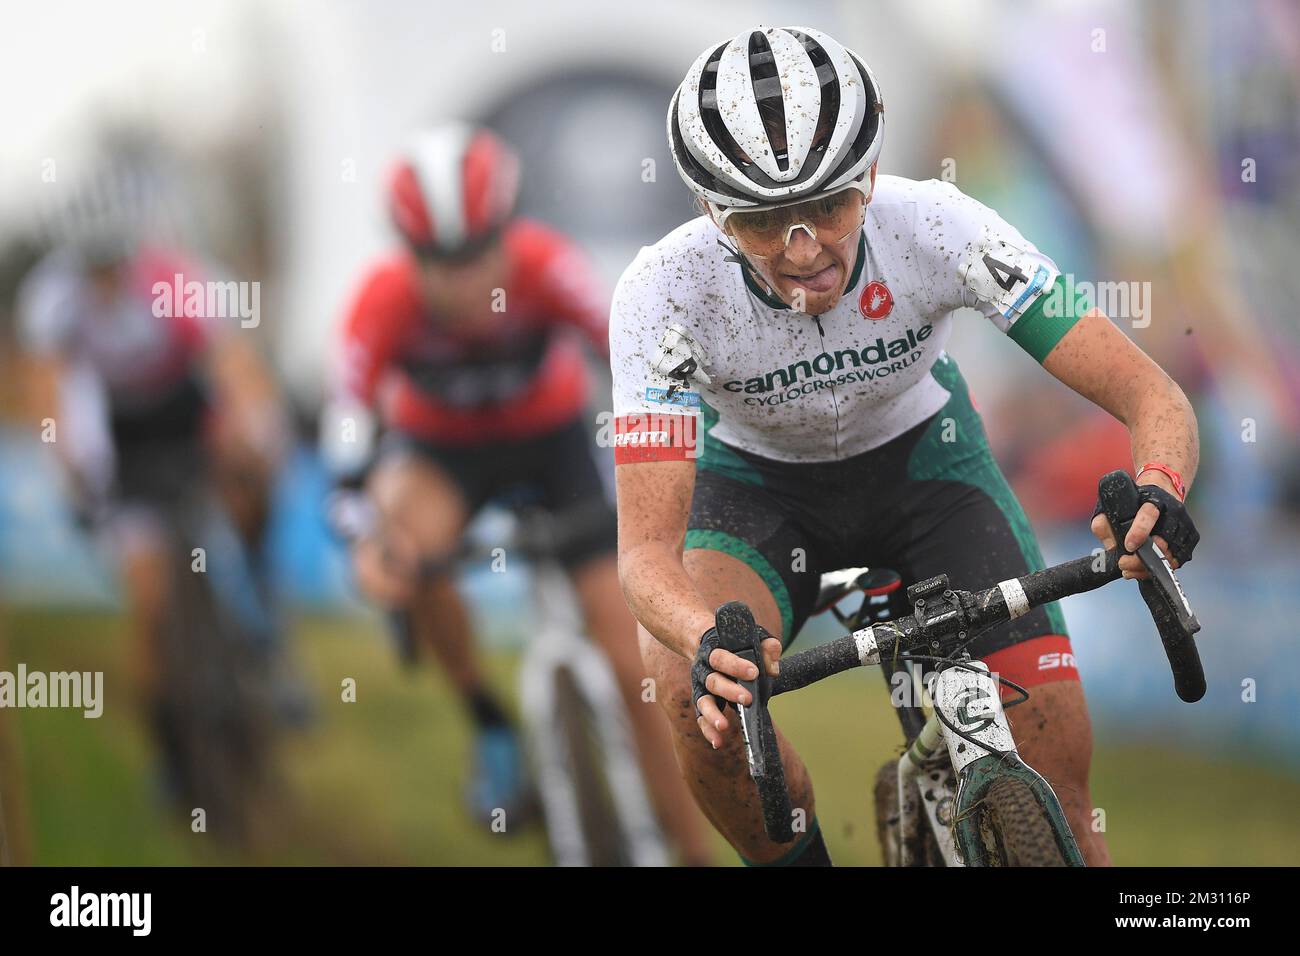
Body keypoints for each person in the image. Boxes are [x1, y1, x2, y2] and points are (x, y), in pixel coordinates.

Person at [610, 25, 1202, 866]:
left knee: (1062, 802)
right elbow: (645, 558)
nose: (803, 248)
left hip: (929, 472)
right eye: (764, 221)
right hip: (754, 496)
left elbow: (1153, 396)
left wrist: (1160, 484)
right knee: (688, 695)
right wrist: (705, 638)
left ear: (872, 178)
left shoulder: (936, 224)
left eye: (829, 205)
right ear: (712, 212)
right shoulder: (661, 294)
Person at [323, 123, 711, 864]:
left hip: (553, 440)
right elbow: (346, 419)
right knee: (404, 546)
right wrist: (360, 530)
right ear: (409, 256)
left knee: (634, 666)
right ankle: (488, 721)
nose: (463, 279)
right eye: (439, 261)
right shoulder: (381, 301)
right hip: (442, 455)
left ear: (509, 230)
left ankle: (692, 850)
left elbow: (627, 353)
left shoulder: (547, 267)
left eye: (477, 252)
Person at [16, 164, 290, 789]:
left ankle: (262, 610)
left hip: (191, 412)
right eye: (93, 268)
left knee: (249, 474)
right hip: (122, 438)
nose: (106, 280)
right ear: (74, 264)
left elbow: (232, 368)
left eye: (115, 263)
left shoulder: (176, 279)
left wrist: (249, 440)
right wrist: (72, 475)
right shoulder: (52, 298)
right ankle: (169, 747)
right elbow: (49, 395)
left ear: (133, 254)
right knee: (150, 602)